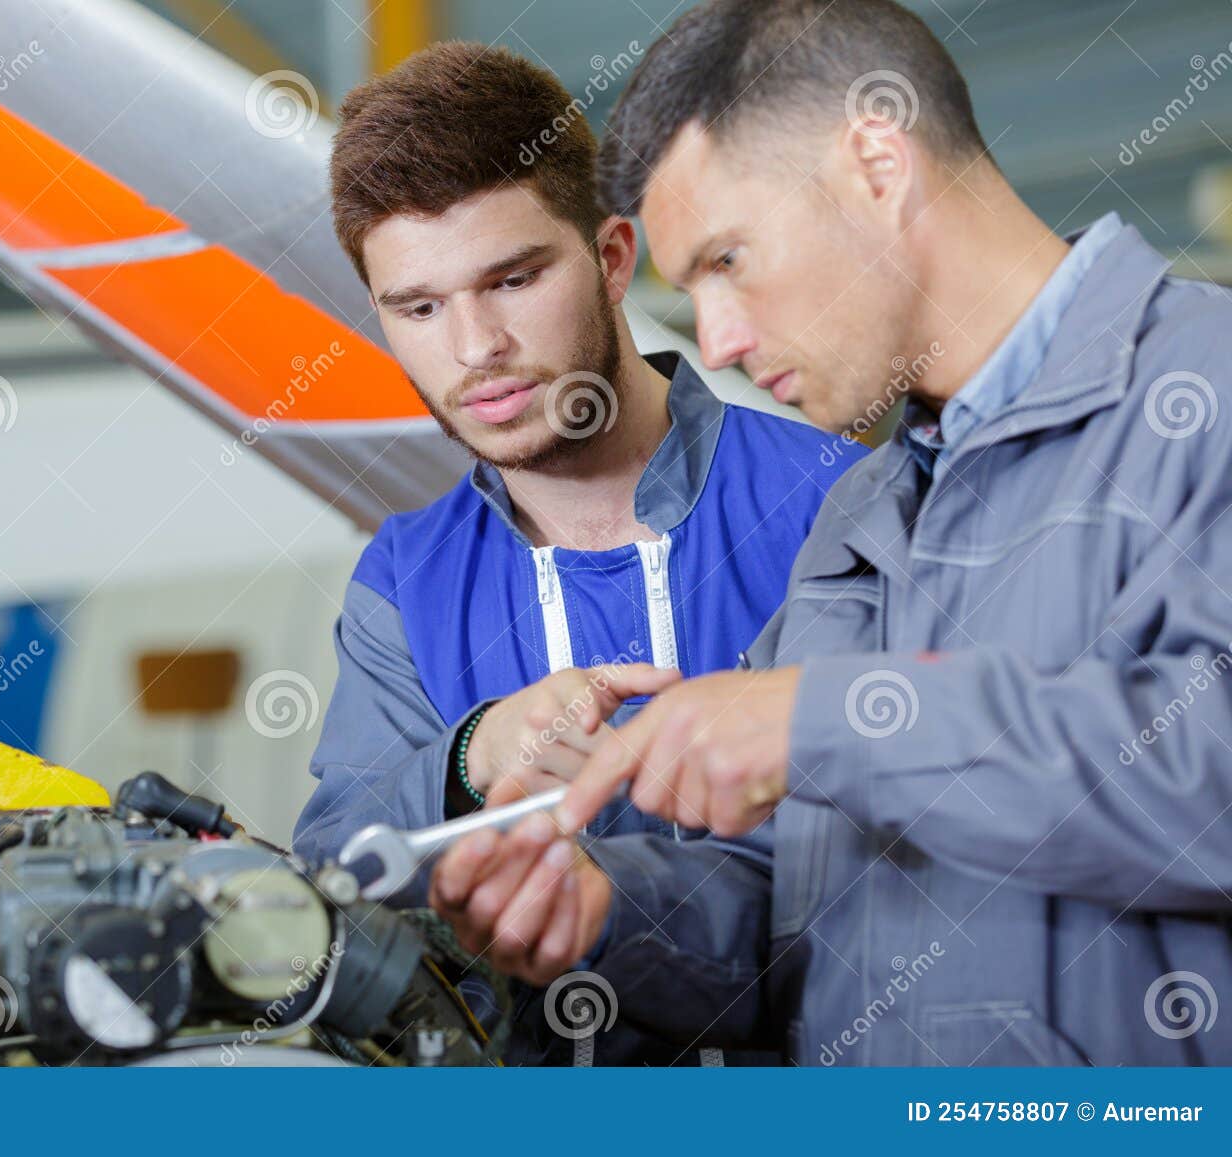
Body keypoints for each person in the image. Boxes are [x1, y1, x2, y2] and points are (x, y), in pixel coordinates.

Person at [431, 0, 1232, 1066]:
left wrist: (833, 717)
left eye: (726, 260)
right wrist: (607, 909)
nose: (712, 339)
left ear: (875, 163)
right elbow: (793, 905)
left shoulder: (1201, 392)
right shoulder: (859, 512)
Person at [290, 41, 857, 1060]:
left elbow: (880, 884)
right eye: (417, 307)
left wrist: (610, 905)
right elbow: (332, 871)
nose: (473, 349)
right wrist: (473, 752)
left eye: (510, 279)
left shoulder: (835, 504)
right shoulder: (403, 577)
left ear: (608, 257)